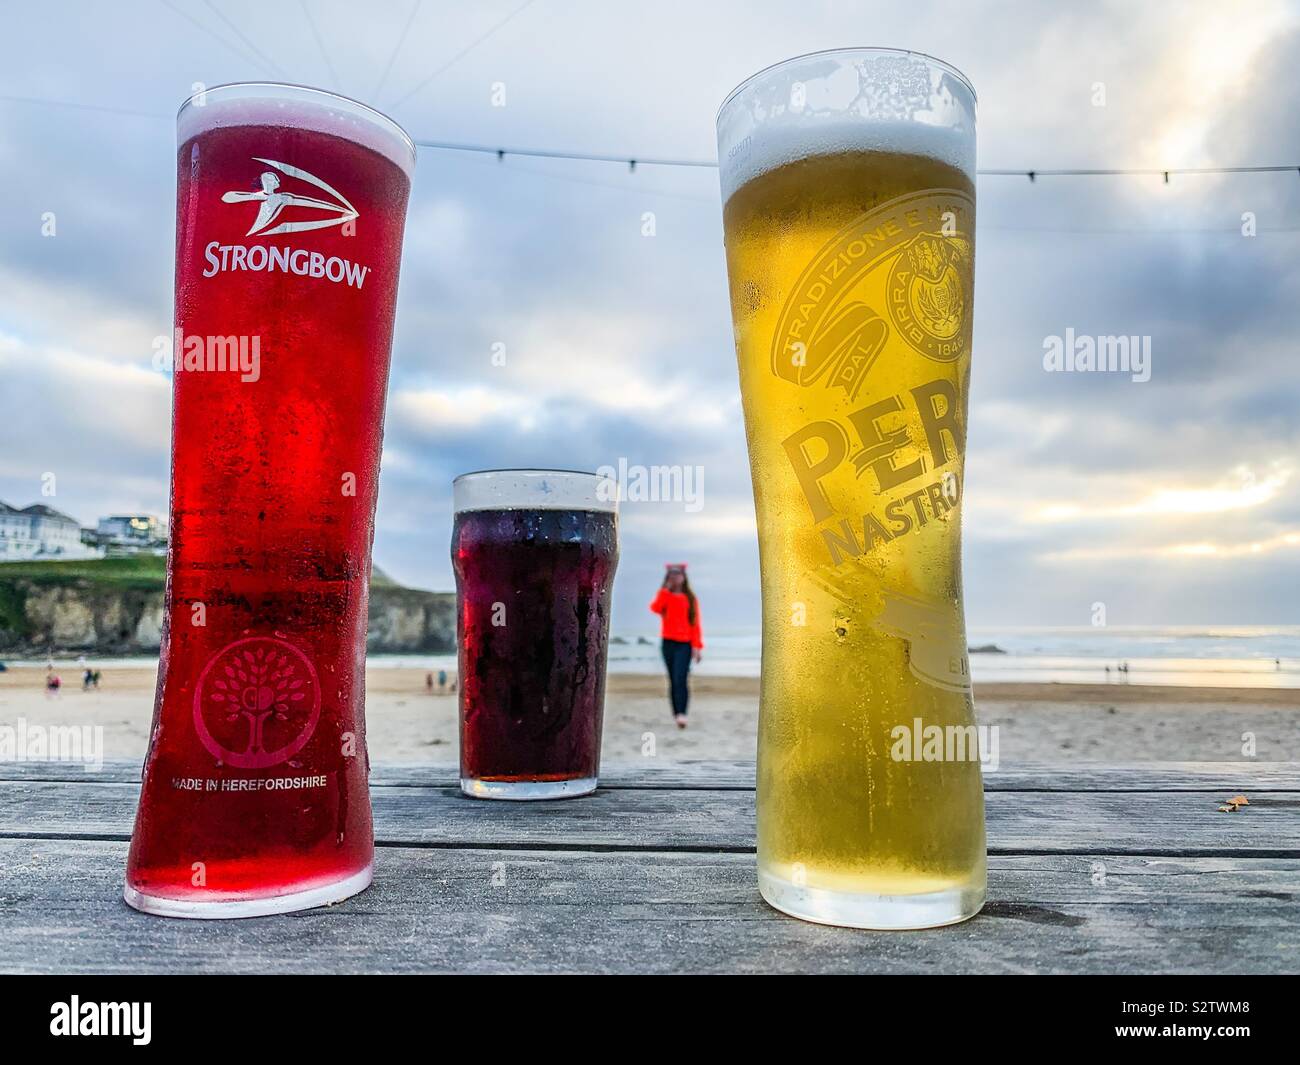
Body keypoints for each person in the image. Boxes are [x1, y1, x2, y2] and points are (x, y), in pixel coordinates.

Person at [649, 563, 703, 729]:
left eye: (678, 575)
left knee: (681, 678)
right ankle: (676, 712)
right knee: (673, 679)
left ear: (684, 577)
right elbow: (655, 608)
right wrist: (666, 589)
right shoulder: (665, 595)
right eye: (672, 575)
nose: (675, 578)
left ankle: (682, 714)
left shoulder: (690, 598)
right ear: (668, 578)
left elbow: (695, 624)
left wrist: (697, 646)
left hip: (685, 644)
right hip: (668, 643)